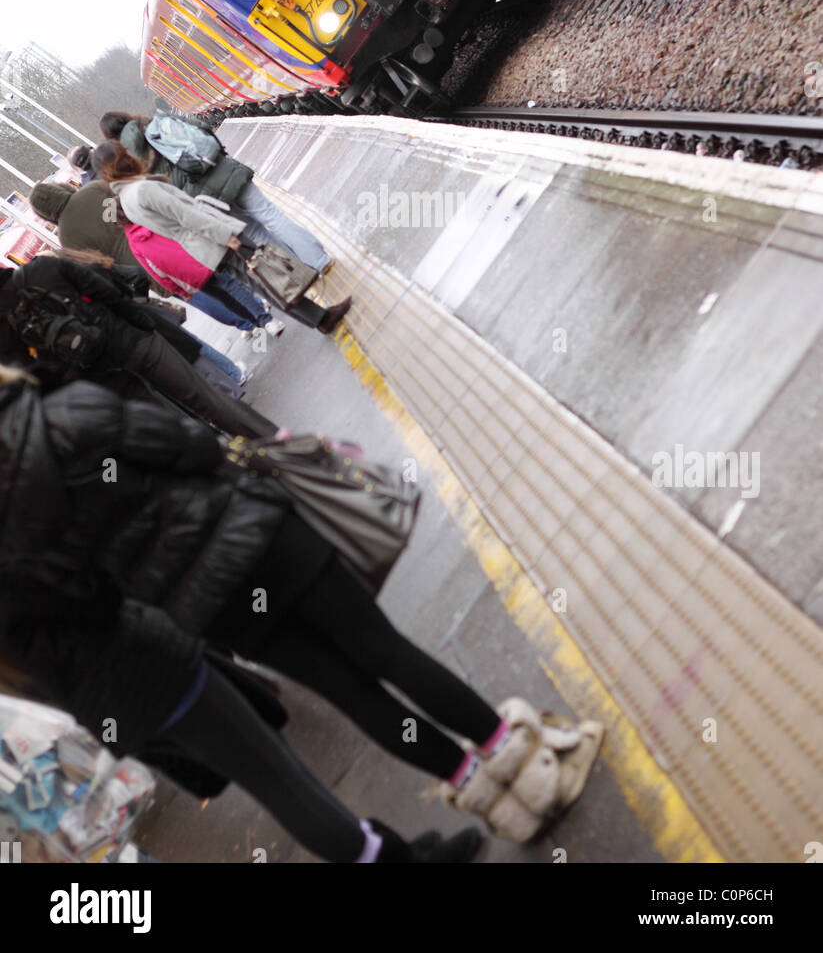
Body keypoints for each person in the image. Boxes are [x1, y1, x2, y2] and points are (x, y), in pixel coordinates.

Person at [0, 369, 603, 862]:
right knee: (385, 650)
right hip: (257, 537)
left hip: (208, 606)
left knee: (350, 691)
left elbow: (84, 594)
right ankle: (515, 755)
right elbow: (195, 447)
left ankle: (497, 798)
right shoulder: (69, 415)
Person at [0, 254, 278, 440]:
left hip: (105, 380)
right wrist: (144, 324)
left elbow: (32, 375)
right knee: (206, 399)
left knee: (175, 430)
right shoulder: (43, 268)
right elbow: (106, 292)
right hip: (134, 341)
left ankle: (233, 472)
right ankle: (276, 444)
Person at [96, 142, 351, 336]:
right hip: (214, 239)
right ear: (125, 160)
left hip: (203, 247)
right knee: (268, 278)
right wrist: (226, 235)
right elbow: (187, 216)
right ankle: (322, 318)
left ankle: (318, 318)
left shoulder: (127, 199)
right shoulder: (143, 189)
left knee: (262, 283)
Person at [99, 109, 332, 273]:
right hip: (221, 171)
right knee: (271, 215)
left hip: (205, 199)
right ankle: (319, 260)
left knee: (257, 233)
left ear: (111, 139)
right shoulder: (154, 123)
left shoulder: (128, 160)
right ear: (126, 117)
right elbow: (201, 127)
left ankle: (302, 271)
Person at [29, 180, 272, 334]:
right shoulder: (92, 191)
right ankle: (256, 308)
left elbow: (94, 261)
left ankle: (245, 323)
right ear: (59, 189)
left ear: (44, 213)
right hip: (154, 242)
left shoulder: (66, 237)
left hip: (138, 269)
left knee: (192, 294)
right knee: (210, 277)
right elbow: (118, 213)